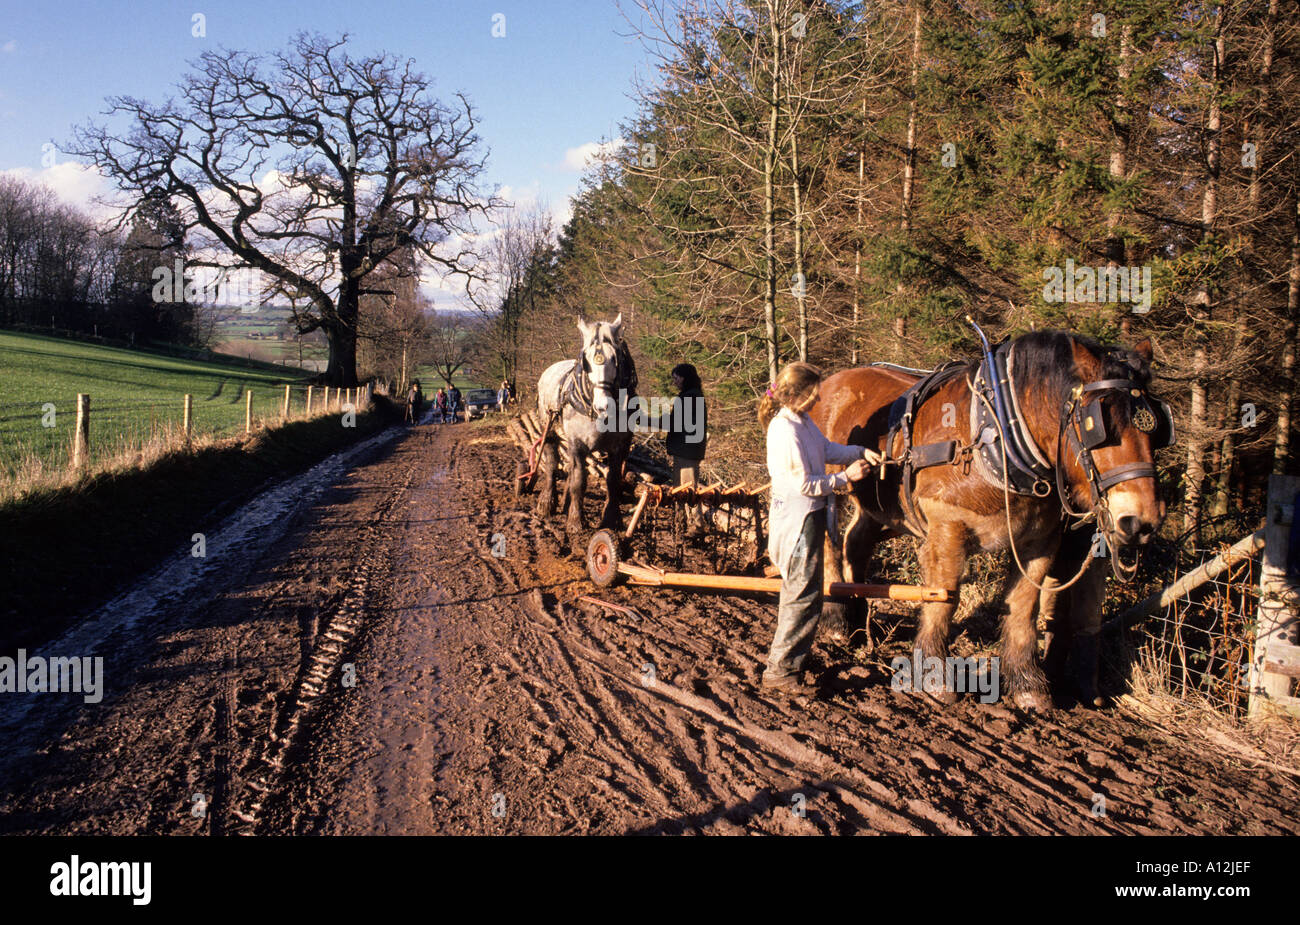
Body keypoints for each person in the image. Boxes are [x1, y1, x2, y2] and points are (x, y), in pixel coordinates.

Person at [759, 361, 881, 696]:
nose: (817, 400)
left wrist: (859, 451)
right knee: (800, 597)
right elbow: (804, 484)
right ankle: (779, 673)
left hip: (809, 517)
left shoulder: (803, 421)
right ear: (797, 394)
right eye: (813, 394)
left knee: (807, 596)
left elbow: (826, 449)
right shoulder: (784, 429)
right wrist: (845, 478)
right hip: (797, 521)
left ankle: (790, 662)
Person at [654, 363, 708, 534]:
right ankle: (682, 522)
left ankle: (697, 526)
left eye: (676, 378)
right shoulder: (692, 396)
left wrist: (644, 420)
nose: (674, 382)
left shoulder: (689, 398)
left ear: (684, 378)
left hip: (687, 451)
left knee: (688, 489)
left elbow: (673, 422)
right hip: (687, 450)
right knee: (681, 488)